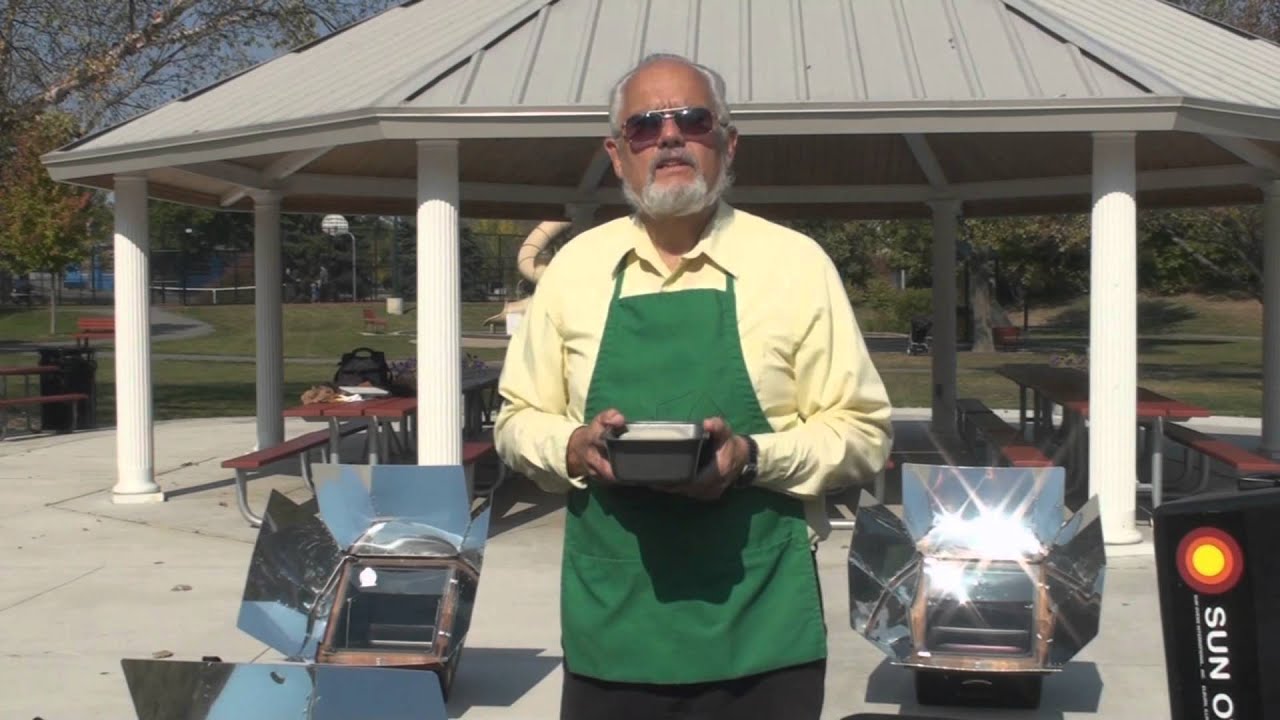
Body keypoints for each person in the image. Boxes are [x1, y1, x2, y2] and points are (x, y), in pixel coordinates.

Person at [493, 53, 894, 720]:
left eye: (694, 120)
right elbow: (515, 420)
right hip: (613, 629)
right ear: (618, 154)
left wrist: (753, 458)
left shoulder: (795, 265)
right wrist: (572, 446)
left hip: (762, 632)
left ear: (728, 144)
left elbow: (864, 431)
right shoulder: (575, 271)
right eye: (646, 125)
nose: (671, 136)